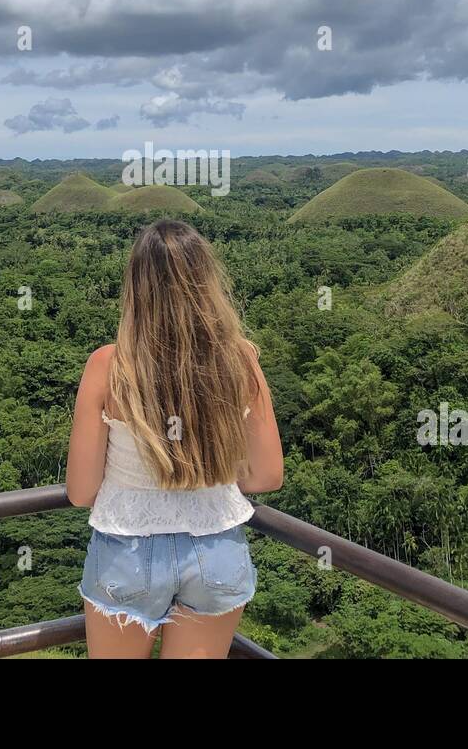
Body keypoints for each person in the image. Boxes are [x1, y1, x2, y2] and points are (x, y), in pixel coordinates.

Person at [66, 219, 284, 658]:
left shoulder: (108, 366)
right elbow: (266, 475)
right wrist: (205, 473)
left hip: (126, 553)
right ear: (207, 281)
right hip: (216, 551)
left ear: (136, 286)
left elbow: (81, 491)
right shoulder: (240, 360)